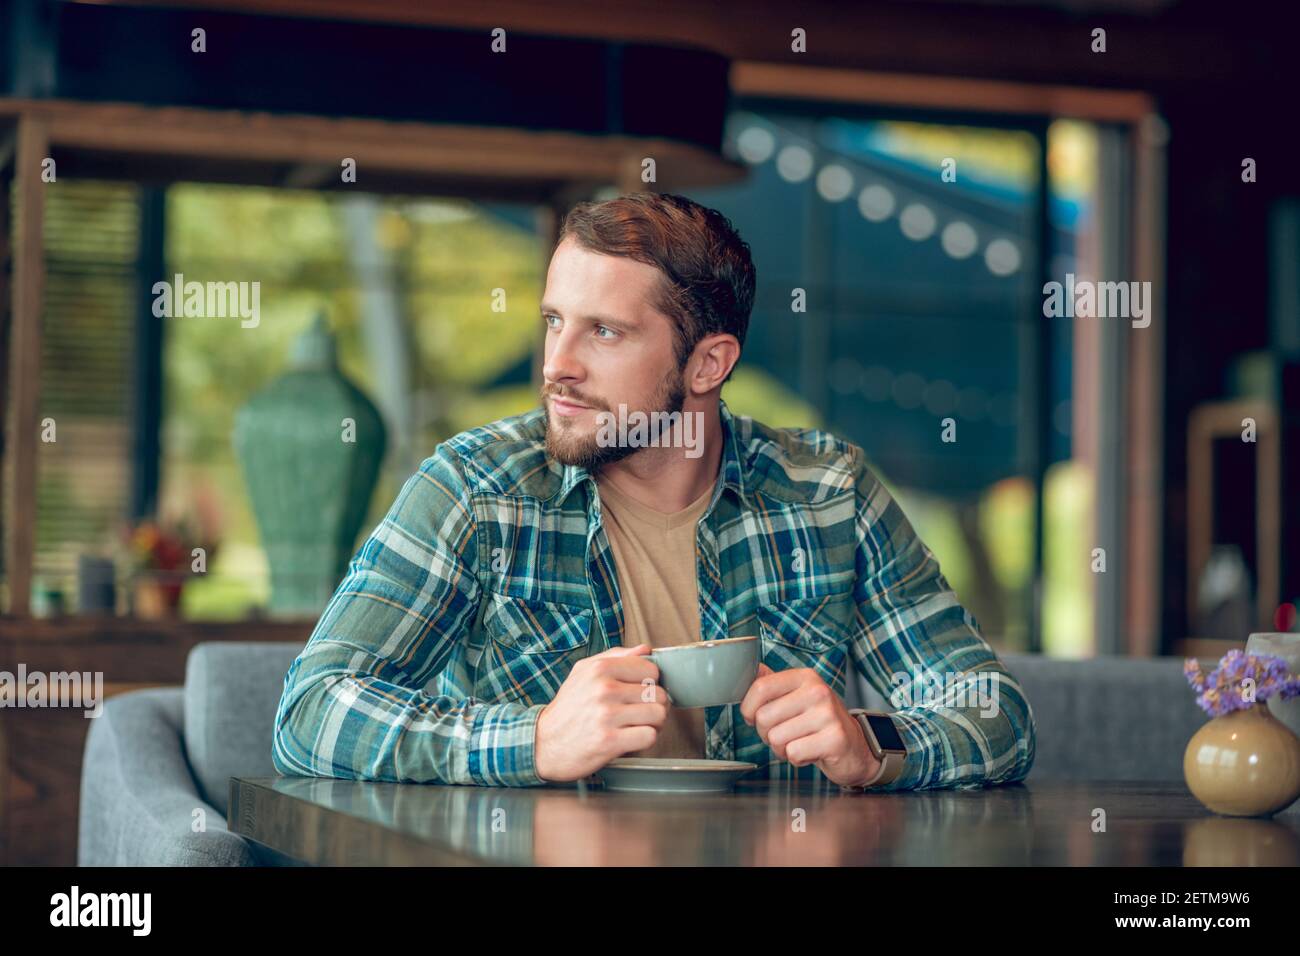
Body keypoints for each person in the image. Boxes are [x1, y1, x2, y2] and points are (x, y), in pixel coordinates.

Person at [272, 192, 1036, 791]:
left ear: (708, 365)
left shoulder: (830, 492)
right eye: (553, 322)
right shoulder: (478, 489)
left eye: (604, 332)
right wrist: (533, 740)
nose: (557, 365)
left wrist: (872, 746)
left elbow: (992, 712)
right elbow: (310, 711)